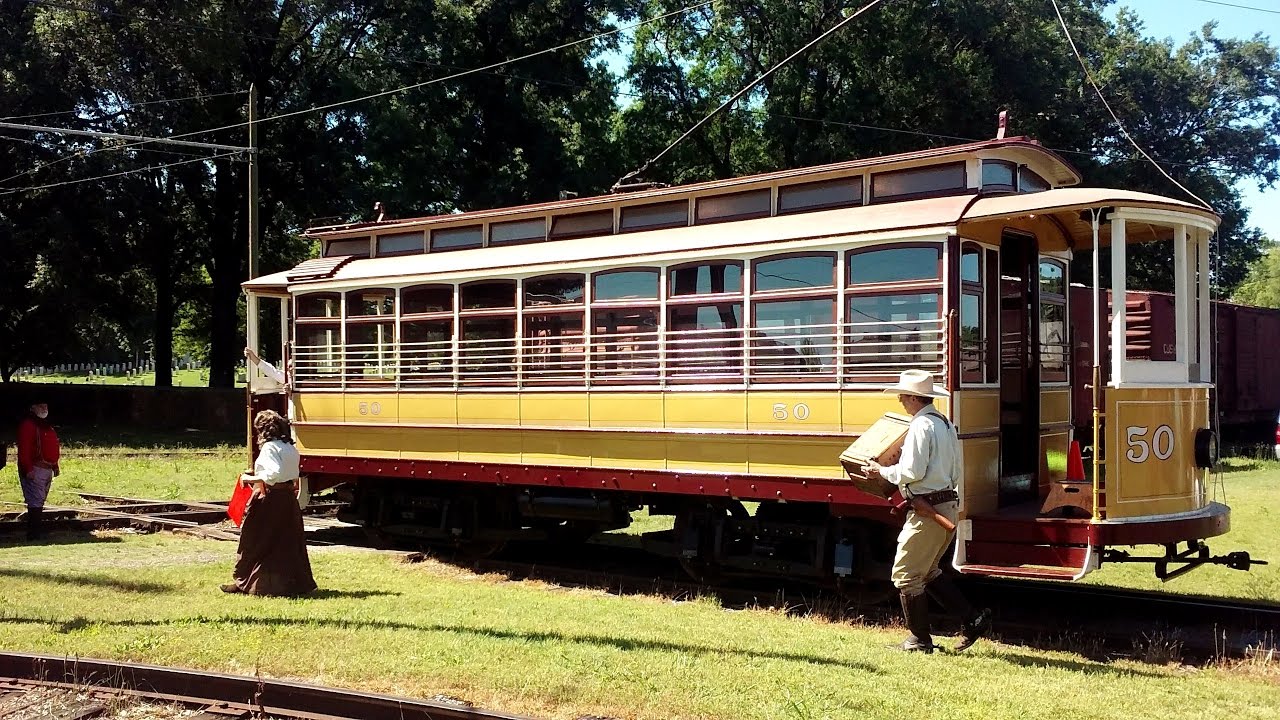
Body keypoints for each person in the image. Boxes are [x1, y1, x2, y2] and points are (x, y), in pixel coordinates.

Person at [865, 370, 991, 653]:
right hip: (944, 506)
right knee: (929, 570)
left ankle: (919, 640)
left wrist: (880, 470)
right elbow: (955, 470)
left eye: (902, 395)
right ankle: (973, 619)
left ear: (912, 397)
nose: (899, 399)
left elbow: (911, 471)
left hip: (928, 508)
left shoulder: (921, 426)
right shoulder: (944, 423)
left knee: (906, 575)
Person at [222, 409, 316, 596]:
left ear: (263, 430)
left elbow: (273, 475)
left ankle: (245, 583)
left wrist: (249, 479)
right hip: (288, 500)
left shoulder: (270, 447)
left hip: (271, 498)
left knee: (255, 540)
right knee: (285, 542)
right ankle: (289, 585)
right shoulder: (290, 447)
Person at [16, 398, 60, 540]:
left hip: (47, 468)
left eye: (45, 406)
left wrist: (55, 465)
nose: (44, 409)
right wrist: (28, 469)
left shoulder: (45, 425)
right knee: (35, 501)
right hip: (36, 468)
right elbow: (24, 449)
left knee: (39, 501)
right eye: (40, 406)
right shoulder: (28, 425)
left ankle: (35, 532)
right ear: (32, 408)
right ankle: (34, 534)